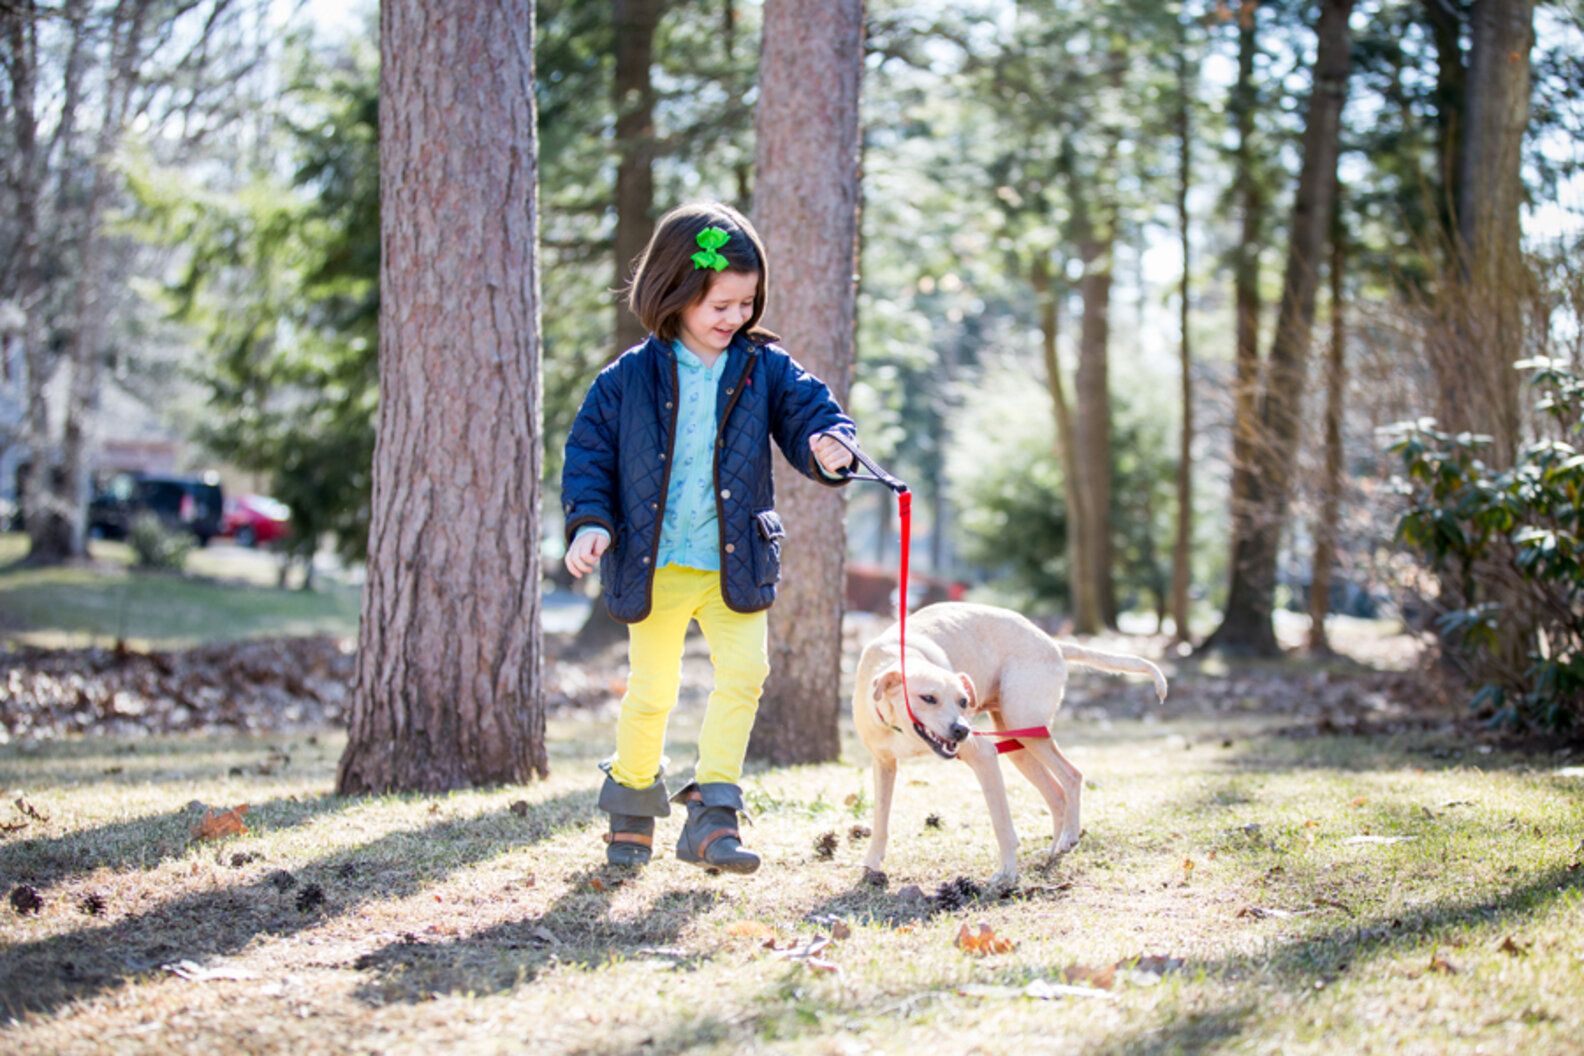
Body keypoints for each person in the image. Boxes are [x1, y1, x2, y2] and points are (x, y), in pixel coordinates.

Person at [561, 202, 859, 874]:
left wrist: (830, 443)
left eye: (746, 303)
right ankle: (632, 806)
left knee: (746, 674)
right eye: (720, 304)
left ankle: (713, 811)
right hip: (657, 562)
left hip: (735, 561)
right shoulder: (627, 377)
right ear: (675, 290)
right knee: (652, 691)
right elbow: (588, 456)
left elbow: (813, 413)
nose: (735, 317)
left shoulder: (764, 367)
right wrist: (590, 523)